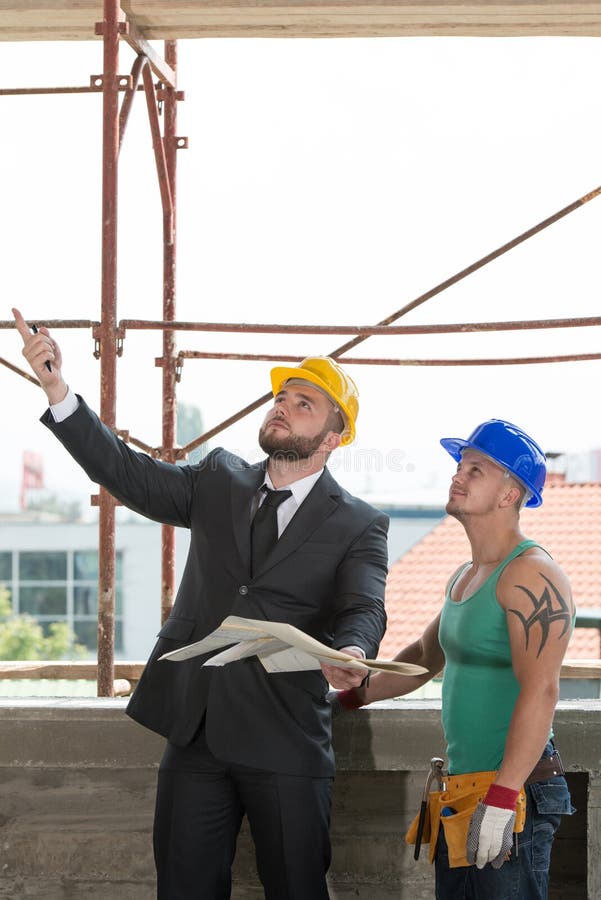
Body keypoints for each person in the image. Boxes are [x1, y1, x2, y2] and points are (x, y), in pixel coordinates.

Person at [13, 307, 388, 900]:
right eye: (281, 397)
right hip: (197, 734)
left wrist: (354, 651)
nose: (282, 407)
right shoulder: (218, 478)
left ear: (331, 438)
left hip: (287, 740)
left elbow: (363, 606)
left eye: (303, 404)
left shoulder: (359, 523)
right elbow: (128, 473)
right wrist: (58, 390)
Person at [331, 419, 575, 900]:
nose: (457, 476)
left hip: (515, 793)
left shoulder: (532, 575)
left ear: (510, 494)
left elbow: (542, 690)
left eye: (475, 469)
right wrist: (347, 698)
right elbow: (425, 656)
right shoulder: (467, 574)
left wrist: (502, 797)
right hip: (464, 791)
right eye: (460, 466)